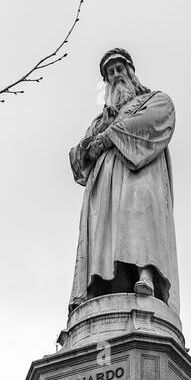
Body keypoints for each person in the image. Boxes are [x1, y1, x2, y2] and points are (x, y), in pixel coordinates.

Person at [69, 48, 179, 314]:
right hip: (103, 188)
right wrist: (96, 138)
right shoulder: (100, 120)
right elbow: (77, 158)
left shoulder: (155, 100)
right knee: (104, 232)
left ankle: (146, 276)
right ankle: (96, 289)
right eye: (110, 73)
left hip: (139, 175)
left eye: (119, 69)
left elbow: (156, 121)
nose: (116, 75)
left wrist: (110, 135)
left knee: (139, 218)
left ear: (130, 71)